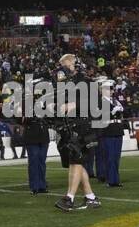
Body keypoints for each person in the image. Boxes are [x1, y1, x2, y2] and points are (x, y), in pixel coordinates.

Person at [54, 54, 100, 211]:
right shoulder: (65, 85)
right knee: (76, 162)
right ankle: (91, 198)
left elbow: (97, 104)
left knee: (77, 162)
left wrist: (74, 105)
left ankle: (69, 198)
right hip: (70, 128)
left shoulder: (86, 81)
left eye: (66, 65)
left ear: (75, 64)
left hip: (84, 127)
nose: (63, 69)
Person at [98, 79, 126, 187]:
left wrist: (120, 109)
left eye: (112, 89)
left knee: (116, 157)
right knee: (109, 157)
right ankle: (111, 180)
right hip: (108, 129)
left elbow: (124, 112)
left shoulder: (115, 101)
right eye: (109, 89)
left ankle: (116, 180)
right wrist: (111, 112)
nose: (111, 91)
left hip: (118, 129)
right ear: (103, 90)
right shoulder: (100, 102)